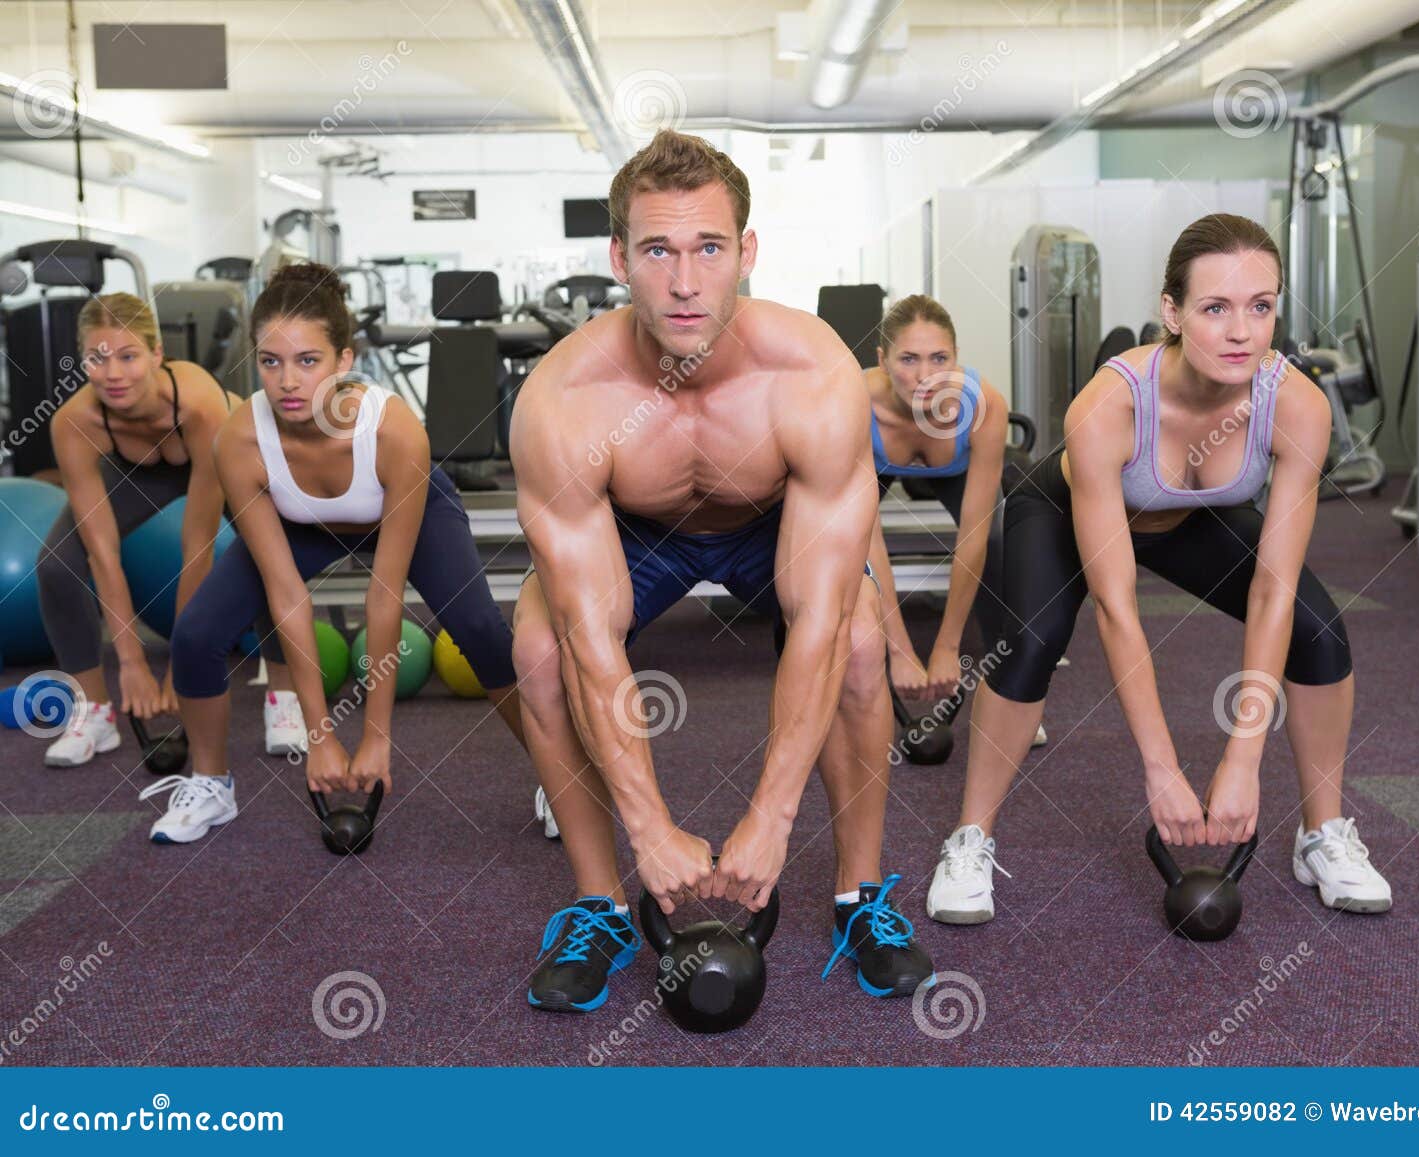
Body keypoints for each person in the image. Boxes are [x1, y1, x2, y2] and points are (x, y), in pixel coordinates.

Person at [511, 129, 934, 1013]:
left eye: (708, 248)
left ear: (747, 252)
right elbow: (591, 640)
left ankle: (860, 895)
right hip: (638, 530)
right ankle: (598, 906)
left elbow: (818, 622)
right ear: (619, 258)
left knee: (860, 640)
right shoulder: (563, 398)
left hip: (766, 520)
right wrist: (651, 829)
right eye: (657, 251)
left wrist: (770, 819)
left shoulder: (812, 372)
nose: (684, 280)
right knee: (542, 648)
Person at [925, 213, 1393, 925]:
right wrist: (1162, 767)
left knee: (1318, 630)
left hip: (1190, 517)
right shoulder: (1108, 406)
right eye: (1216, 308)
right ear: (1172, 313)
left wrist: (1243, 758)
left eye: (1261, 306)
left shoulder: (1296, 404)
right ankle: (970, 838)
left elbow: (1272, 590)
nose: (1242, 332)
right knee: (1032, 642)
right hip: (1063, 510)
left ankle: (1321, 832)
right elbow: (1117, 608)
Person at [144, 263, 529, 844]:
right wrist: (319, 736)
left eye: (307, 361)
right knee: (197, 633)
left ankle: (561, 780)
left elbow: (385, 597)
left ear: (344, 360)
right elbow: (286, 597)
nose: (287, 381)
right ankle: (210, 783)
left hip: (405, 510)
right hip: (305, 523)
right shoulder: (239, 440)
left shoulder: (394, 431)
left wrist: (376, 736)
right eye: (270, 362)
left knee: (479, 628)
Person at [37, 293, 304, 768]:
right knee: (58, 564)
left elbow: (198, 547)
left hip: (227, 454)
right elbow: (103, 552)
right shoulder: (74, 422)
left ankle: (283, 697)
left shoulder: (199, 404)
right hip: (137, 472)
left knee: (268, 552)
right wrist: (131, 660)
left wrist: (181, 662)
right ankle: (94, 710)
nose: (113, 373)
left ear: (157, 354)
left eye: (128, 356)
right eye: (97, 358)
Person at [864, 294, 1045, 746]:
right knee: (836, 543)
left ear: (956, 358)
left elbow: (974, 536)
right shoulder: (852, 401)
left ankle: (1009, 694)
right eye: (908, 359)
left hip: (954, 468)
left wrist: (948, 646)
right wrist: (899, 649)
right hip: (877, 465)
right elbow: (867, 537)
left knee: (1000, 544)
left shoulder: (983, 404)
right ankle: (841, 693)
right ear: (883, 360)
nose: (925, 375)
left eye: (939, 358)